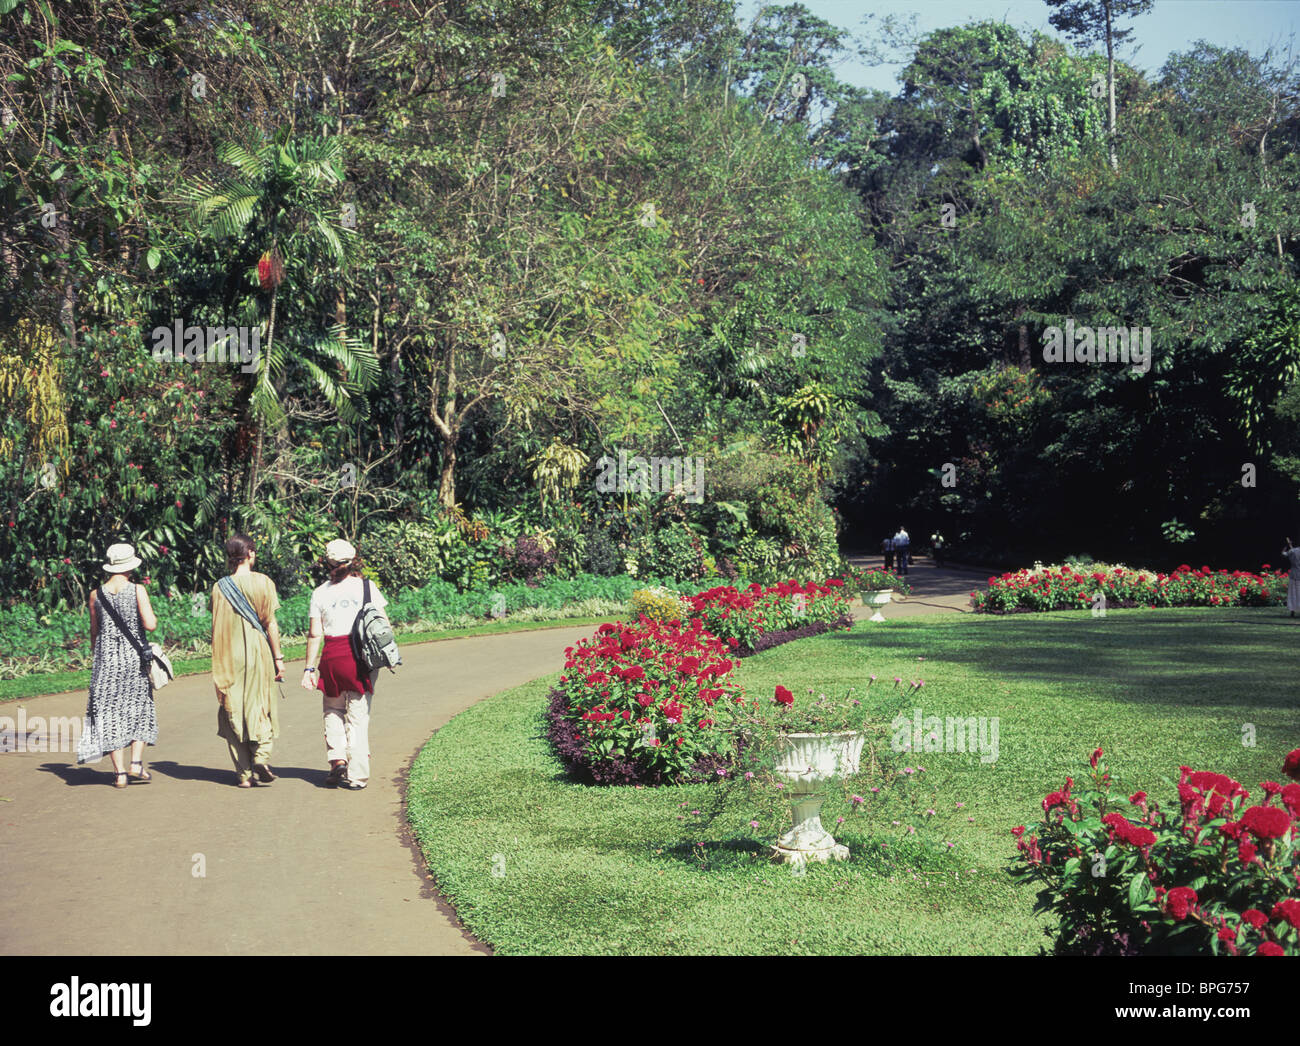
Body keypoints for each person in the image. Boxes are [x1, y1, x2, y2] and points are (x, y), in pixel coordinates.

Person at [301, 539, 390, 790]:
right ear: (353, 560)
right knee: (358, 717)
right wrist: (389, 655)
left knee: (332, 709)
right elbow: (383, 624)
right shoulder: (366, 588)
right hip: (360, 658)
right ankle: (357, 775)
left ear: (327, 563)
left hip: (331, 657)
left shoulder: (319, 593)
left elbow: (314, 635)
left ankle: (337, 757)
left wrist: (309, 668)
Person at [78, 543, 159, 787]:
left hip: (106, 662)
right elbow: (150, 624)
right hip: (133, 661)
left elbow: (94, 631)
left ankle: (120, 773)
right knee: (139, 708)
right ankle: (136, 763)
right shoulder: (137, 590)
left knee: (109, 714)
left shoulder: (96, 594)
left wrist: (98, 655)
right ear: (130, 566)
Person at [211, 534, 286, 787]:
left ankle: (243, 775)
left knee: (233, 708)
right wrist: (279, 658)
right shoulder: (263, 583)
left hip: (227, 656)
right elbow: (270, 624)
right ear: (250, 553)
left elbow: (215, 621)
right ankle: (261, 756)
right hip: (257, 653)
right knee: (260, 704)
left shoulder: (219, 587)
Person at [1283, 538, 1300, 618]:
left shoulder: (1292, 551)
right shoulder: (1293, 551)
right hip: (1296, 574)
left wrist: (1286, 546)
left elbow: (1283, 554)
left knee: (1293, 593)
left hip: (1294, 574)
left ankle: (1292, 610)